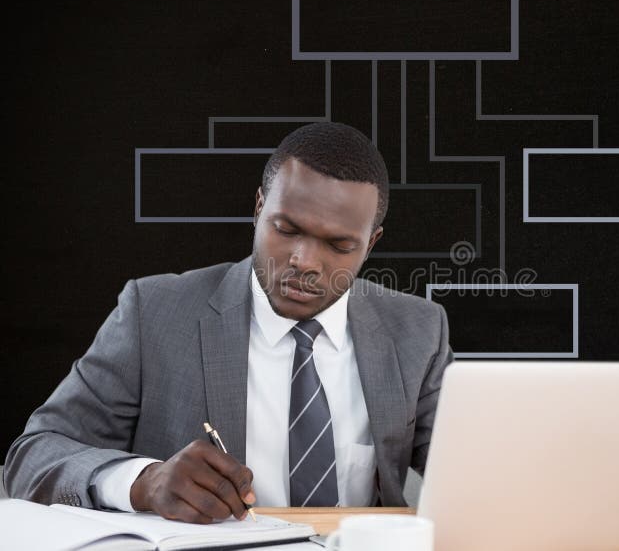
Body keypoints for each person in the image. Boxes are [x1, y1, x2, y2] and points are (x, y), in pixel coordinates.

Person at [4, 122, 453, 523]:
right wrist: (143, 482)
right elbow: (32, 456)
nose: (305, 262)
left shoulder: (418, 331)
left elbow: (479, 472)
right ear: (259, 209)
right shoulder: (153, 312)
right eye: (287, 228)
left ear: (370, 243)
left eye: (338, 245)